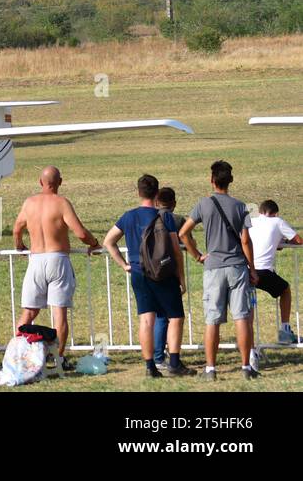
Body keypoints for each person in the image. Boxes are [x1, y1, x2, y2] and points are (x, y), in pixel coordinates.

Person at [102, 174, 192, 378]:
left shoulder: (128, 216)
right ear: (157, 193)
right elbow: (176, 251)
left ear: (138, 192)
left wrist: (124, 264)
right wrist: (181, 277)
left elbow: (108, 241)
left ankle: (150, 366)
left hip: (138, 271)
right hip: (163, 272)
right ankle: (175, 363)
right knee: (176, 317)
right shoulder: (165, 216)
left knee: (146, 319)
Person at [13, 166, 99, 371]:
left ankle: (17, 354)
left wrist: (19, 245)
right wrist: (94, 243)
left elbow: (17, 228)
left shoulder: (29, 203)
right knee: (58, 313)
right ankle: (57, 358)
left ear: (39, 182)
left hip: (35, 260)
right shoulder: (62, 203)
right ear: (60, 182)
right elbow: (80, 233)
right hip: (57, 259)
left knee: (29, 311)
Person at [179, 160, 258, 381]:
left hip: (213, 267)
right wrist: (252, 268)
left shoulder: (203, 204)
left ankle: (211, 369)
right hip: (237, 267)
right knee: (242, 316)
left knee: (212, 319)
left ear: (211, 180)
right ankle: (245, 367)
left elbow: (183, 233)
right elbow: (245, 241)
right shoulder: (242, 206)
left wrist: (197, 255)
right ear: (230, 181)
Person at [247, 199, 301, 345]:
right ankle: (285, 330)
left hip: (246, 269)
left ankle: (249, 344)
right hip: (262, 270)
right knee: (285, 290)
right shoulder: (277, 221)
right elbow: (298, 240)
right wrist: (284, 241)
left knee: (248, 309)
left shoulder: (252, 221)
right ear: (275, 213)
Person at [153, 186, 179, 364]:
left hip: (149, 270)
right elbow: (179, 244)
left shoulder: (148, 216)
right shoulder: (173, 218)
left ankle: (156, 356)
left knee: (156, 317)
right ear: (174, 203)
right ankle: (167, 358)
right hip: (167, 270)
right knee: (170, 316)